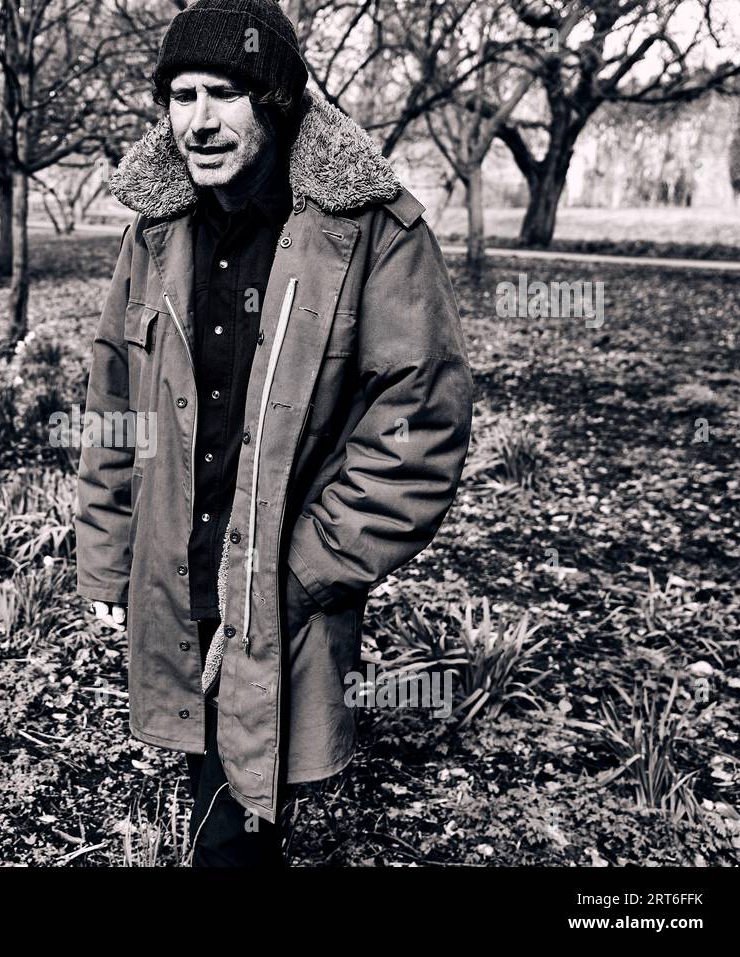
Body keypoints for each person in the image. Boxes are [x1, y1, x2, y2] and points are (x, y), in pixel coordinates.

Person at [75, 0, 473, 867]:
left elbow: (421, 420)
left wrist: (301, 570)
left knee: (241, 811)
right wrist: (108, 554)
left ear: (279, 101)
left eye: (226, 93)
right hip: (179, 571)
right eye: (180, 94)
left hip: (280, 579)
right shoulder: (155, 231)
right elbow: (115, 395)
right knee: (218, 791)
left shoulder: (371, 230)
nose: (199, 120)